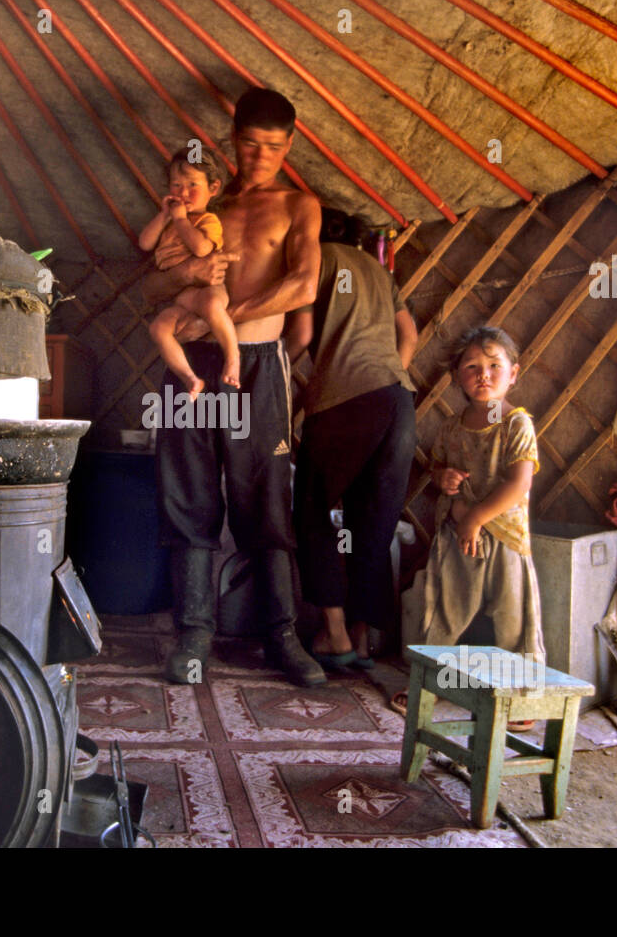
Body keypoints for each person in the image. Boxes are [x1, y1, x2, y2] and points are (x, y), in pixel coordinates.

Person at [142, 87, 324, 688]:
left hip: (255, 366)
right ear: (232, 140)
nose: (260, 155)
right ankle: (193, 633)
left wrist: (224, 315)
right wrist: (191, 278)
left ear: (290, 144)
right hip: (188, 365)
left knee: (266, 493)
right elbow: (146, 288)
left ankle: (282, 636)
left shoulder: (299, 205)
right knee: (186, 490)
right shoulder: (194, 204)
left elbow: (302, 287)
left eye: (274, 146)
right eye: (249, 143)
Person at [292, 211, 419, 671]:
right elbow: (410, 334)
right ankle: (365, 639)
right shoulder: (379, 273)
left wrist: (273, 368)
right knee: (374, 526)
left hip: (342, 403)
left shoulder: (313, 260)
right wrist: (390, 375)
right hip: (398, 401)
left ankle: (335, 633)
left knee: (312, 511)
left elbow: (302, 335)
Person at [417, 326, 545, 729]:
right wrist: (443, 480)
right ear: (457, 375)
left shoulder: (516, 425)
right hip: (458, 537)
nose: (483, 375)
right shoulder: (452, 427)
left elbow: (518, 483)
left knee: (515, 620)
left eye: (494, 365)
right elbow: (436, 468)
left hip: (505, 539)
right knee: (443, 610)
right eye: (471, 366)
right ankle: (428, 685)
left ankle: (522, 698)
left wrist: (475, 517)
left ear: (514, 373)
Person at [139, 152, 239, 396]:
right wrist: (165, 215)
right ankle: (191, 378)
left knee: (213, 305)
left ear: (213, 188)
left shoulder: (208, 219)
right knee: (158, 329)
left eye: (193, 185)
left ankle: (233, 356)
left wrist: (182, 220)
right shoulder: (169, 221)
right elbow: (144, 243)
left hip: (206, 289)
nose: (183, 192)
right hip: (182, 296)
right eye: (177, 185)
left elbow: (202, 248)